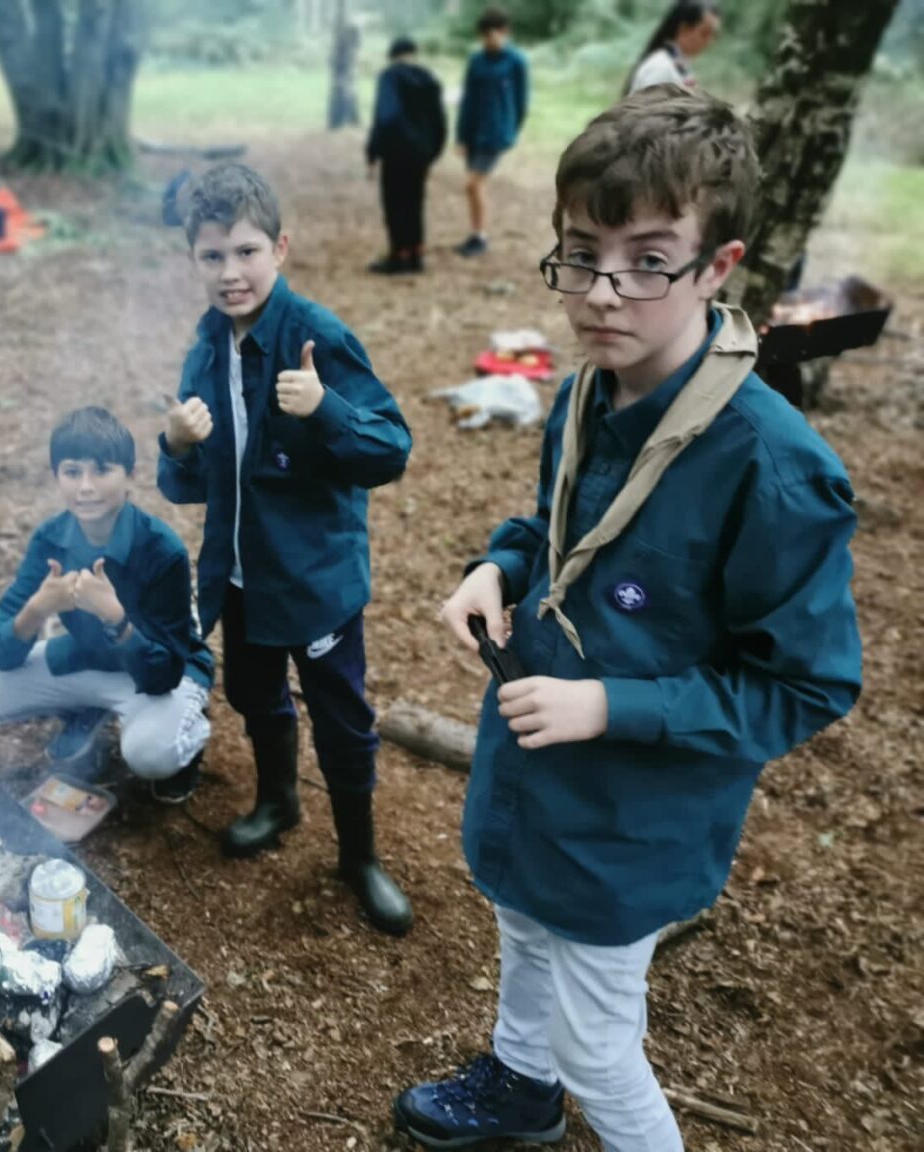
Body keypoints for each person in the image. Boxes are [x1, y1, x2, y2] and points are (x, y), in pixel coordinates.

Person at [391, 86, 861, 1150]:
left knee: (600, 1048)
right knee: (520, 933)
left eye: (649, 260)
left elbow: (806, 686)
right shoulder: (583, 394)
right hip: (532, 783)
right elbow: (551, 531)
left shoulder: (775, 472)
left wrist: (616, 706)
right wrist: (494, 565)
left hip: (631, 831)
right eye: (580, 253)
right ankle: (520, 1087)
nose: (603, 293)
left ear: (718, 267)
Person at [158, 163, 414, 935]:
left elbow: (391, 448)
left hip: (315, 581)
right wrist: (175, 446)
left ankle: (359, 855)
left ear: (280, 248)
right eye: (212, 256)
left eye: (245, 252)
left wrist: (327, 407)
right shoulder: (204, 348)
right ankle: (278, 799)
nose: (231, 273)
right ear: (192, 261)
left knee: (341, 716)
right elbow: (189, 487)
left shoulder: (318, 338)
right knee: (254, 696)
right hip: (239, 576)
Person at [0, 407, 213, 803]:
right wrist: (37, 609)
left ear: (130, 476)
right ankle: (85, 710)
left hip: (161, 673)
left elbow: (164, 673)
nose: (86, 487)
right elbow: (1, 652)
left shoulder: (162, 550)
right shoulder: (51, 539)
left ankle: (188, 737)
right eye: (72, 472)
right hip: (88, 658)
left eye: (102, 471)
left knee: (150, 755)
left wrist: (114, 614)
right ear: (57, 477)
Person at [366, 35, 447, 275]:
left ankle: (399, 255)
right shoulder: (430, 78)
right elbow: (440, 121)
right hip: (421, 151)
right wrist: (433, 152)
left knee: (395, 203)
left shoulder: (390, 77)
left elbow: (384, 117)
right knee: (414, 201)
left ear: (392, 56)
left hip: (396, 151)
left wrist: (374, 152)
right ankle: (416, 253)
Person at [454, 7, 528, 258]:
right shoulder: (476, 61)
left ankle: (480, 236)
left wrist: (510, 131)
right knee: (476, 188)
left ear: (505, 32)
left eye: (494, 33)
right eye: (485, 34)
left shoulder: (516, 61)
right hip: (474, 132)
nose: (489, 38)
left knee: (473, 185)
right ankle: (475, 234)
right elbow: (467, 100)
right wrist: (461, 136)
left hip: (496, 133)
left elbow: (521, 102)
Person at [626, 2, 720, 95]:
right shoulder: (661, 68)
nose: (709, 42)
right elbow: (648, 110)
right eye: (705, 33)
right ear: (683, 28)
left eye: (713, 35)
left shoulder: (678, 66)